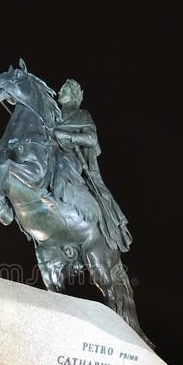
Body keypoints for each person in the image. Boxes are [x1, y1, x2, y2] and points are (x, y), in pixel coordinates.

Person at [52, 79, 132, 253]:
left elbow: (91, 138)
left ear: (74, 95)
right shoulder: (52, 113)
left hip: (69, 158)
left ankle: (57, 223)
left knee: (61, 174)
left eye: (64, 90)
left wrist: (66, 135)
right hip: (49, 155)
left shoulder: (81, 114)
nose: (59, 92)